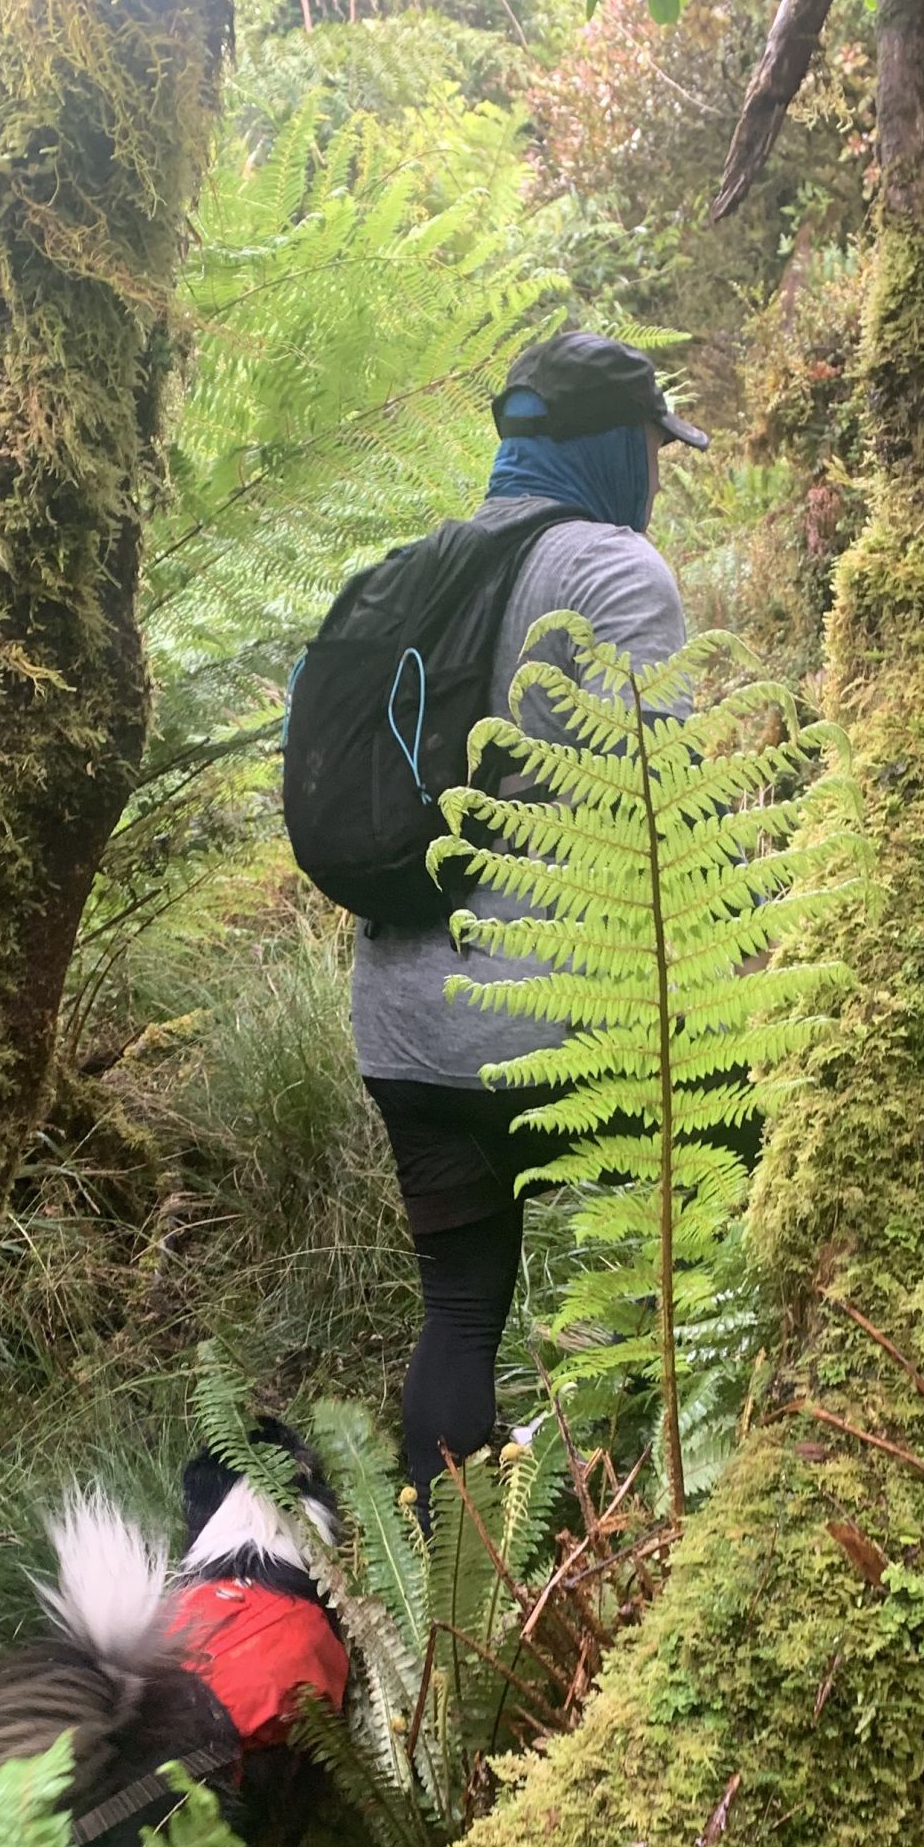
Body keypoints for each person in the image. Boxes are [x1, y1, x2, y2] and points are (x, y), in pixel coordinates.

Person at [350, 329, 706, 1503]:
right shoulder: (612, 570)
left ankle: (451, 1588)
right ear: (614, 445)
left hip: (399, 1029)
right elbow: (669, 814)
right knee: (719, 1209)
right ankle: (682, 1513)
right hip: (545, 1029)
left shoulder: (419, 569)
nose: (657, 472)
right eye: (654, 446)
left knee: (460, 1304)